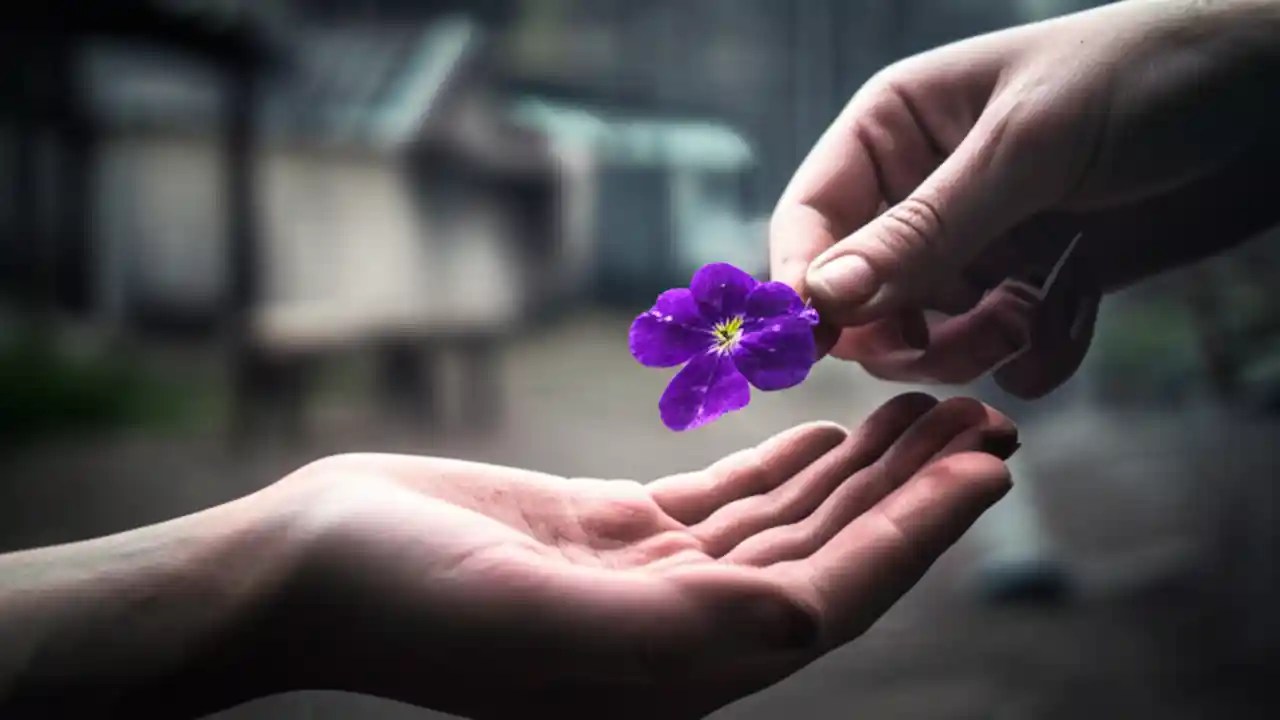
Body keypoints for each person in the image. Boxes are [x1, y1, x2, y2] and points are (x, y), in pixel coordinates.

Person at [2, 0, 1277, 717]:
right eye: (722, 336)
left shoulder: (749, 325)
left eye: (728, 334)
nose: (724, 339)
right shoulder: (730, 334)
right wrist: (282, 574)